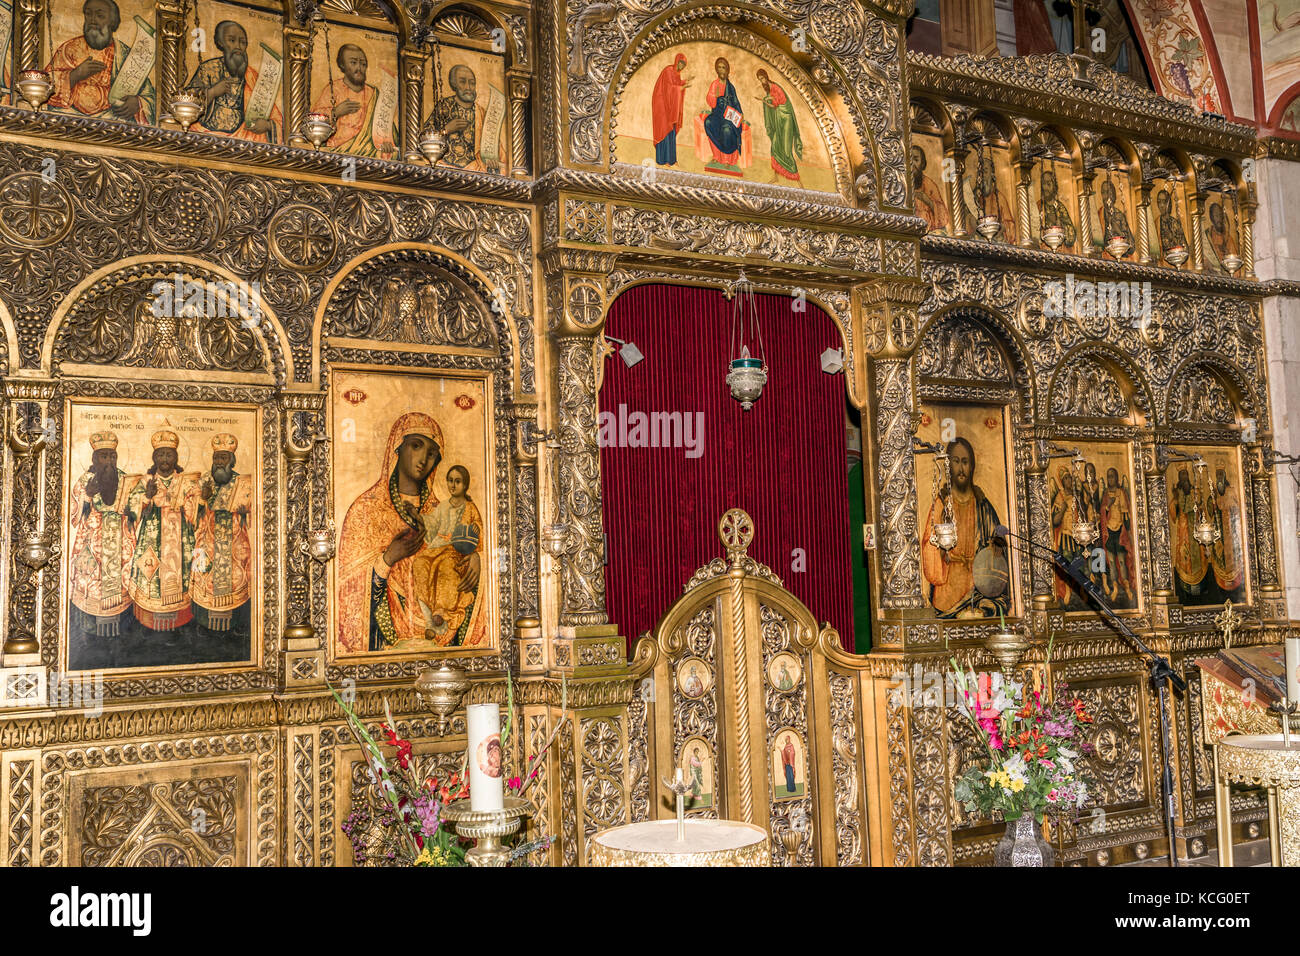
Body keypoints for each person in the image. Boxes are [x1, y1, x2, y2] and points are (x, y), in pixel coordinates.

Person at [336, 413, 444, 653]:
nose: (424, 459)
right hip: (383, 641)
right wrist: (387, 560)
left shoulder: (442, 513)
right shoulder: (366, 509)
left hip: (434, 638)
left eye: (432, 453)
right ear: (397, 446)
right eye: (416, 446)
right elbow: (345, 589)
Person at [920, 436, 1006, 618]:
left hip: (977, 586)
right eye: (956, 461)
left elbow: (999, 543)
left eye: (965, 462)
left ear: (972, 466)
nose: (961, 468)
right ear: (949, 466)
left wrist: (996, 546)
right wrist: (940, 551)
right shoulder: (942, 504)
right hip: (948, 591)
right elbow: (928, 545)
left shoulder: (983, 506)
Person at [126, 430, 200, 632]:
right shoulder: (145, 482)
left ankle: (181, 624)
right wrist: (147, 498)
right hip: (152, 540)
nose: (165, 459)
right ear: (154, 457)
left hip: (181, 539)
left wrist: (191, 504)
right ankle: (149, 623)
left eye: (169, 454)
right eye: (160, 455)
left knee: (184, 573)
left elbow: (197, 512)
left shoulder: (186, 482)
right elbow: (131, 509)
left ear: (176, 457)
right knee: (151, 576)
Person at [68, 431, 137, 637]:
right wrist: (87, 495)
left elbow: (136, 511)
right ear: (94, 458)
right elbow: (74, 514)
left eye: (112, 456)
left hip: (120, 543)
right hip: (93, 545)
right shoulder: (85, 480)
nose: (108, 461)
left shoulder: (125, 479)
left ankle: (122, 634)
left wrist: (131, 512)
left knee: (123, 587)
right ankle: (88, 635)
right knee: (90, 584)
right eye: (104, 456)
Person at [45, 0, 154, 124]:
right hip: (69, 120)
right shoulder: (70, 49)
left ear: (112, 22)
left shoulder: (126, 56)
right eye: (88, 14)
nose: (92, 20)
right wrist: (75, 75)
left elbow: (149, 97)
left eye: (100, 16)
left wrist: (137, 103)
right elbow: (45, 83)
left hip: (114, 125)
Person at [411, 464, 484, 647]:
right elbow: (432, 524)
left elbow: (479, 532)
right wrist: (417, 517)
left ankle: (441, 615)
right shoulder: (443, 506)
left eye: (457, 481)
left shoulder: (470, 508)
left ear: (465, 485)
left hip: (456, 551)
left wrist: (477, 528)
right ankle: (429, 618)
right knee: (419, 563)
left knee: (445, 568)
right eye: (450, 481)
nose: (453, 485)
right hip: (437, 547)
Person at [190, 434, 254, 635]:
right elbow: (190, 515)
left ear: (232, 461)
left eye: (224, 458)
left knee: (238, 579)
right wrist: (202, 500)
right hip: (206, 542)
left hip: (235, 542)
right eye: (216, 458)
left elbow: (254, 512)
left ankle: (236, 626)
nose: (219, 462)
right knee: (202, 578)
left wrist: (246, 512)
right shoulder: (203, 482)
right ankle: (202, 625)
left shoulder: (243, 483)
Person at [184, 20, 281, 142]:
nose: (238, 47)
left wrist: (267, 125)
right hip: (204, 138)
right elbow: (187, 105)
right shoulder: (208, 69)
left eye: (242, 42)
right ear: (221, 43)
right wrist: (213, 92)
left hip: (244, 141)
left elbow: (277, 118)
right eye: (232, 40)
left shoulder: (253, 77)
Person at [309, 43, 396, 159]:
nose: (359, 68)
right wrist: (336, 112)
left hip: (368, 154)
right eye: (353, 63)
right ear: (342, 65)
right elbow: (314, 124)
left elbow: (386, 128)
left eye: (363, 64)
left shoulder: (374, 94)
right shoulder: (333, 89)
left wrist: (386, 143)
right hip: (336, 153)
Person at [428, 64, 502, 172]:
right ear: (454, 84)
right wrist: (446, 130)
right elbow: (425, 139)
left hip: (476, 170)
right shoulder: (444, 106)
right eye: (463, 82)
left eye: (472, 83)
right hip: (445, 168)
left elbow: (497, 150)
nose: (468, 87)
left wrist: (493, 161)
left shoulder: (482, 114)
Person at [695, 56, 750, 173]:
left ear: (727, 70)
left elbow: (736, 102)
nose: (721, 70)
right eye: (719, 68)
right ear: (716, 70)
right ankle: (716, 156)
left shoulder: (731, 87)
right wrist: (715, 95)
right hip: (717, 114)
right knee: (709, 122)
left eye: (723, 68)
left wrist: (740, 114)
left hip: (729, 116)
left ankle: (726, 159)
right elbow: (710, 100)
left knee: (726, 129)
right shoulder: (714, 84)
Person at [1169, 466, 1209, 602]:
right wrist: (1174, 499)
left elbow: (1202, 509)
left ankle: (1200, 591)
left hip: (1195, 529)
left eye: (1186, 475)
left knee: (1199, 556)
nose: (1184, 478)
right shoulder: (1177, 494)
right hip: (1183, 531)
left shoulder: (1194, 492)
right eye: (1182, 475)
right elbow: (1173, 515)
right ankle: (1186, 592)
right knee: (1184, 556)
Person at [756, 68, 802, 184]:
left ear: (766, 77)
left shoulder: (776, 88)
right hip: (778, 119)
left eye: (762, 78)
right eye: (760, 79)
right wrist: (766, 100)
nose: (762, 81)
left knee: (786, 150)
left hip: (786, 120)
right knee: (775, 145)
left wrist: (768, 100)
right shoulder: (770, 91)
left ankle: (798, 180)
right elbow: (773, 106)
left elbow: (780, 103)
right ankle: (776, 176)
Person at [1100, 467, 1135, 606]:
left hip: (1120, 530)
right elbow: (1102, 511)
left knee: (1121, 560)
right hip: (1109, 531)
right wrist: (1107, 506)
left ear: (1117, 478)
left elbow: (1127, 514)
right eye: (1108, 476)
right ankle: (1115, 586)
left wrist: (1129, 531)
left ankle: (1126, 585)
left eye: (1113, 476)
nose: (1110, 479)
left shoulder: (1121, 493)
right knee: (1112, 561)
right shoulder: (1106, 494)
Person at [650, 53, 689, 166]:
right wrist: (681, 88)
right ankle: (663, 160)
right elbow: (668, 89)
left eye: (684, 65)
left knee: (671, 130)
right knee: (664, 130)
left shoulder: (676, 74)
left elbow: (675, 85)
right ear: (676, 61)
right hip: (662, 105)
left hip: (670, 107)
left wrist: (684, 82)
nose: (681, 66)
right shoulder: (668, 70)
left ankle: (672, 159)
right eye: (681, 63)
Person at [911, 144, 949, 232]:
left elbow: (943, 215)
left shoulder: (929, 184)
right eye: (909, 159)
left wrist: (927, 200)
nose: (912, 163)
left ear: (923, 163)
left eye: (916, 160)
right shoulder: (901, 183)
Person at [1037, 167, 1076, 251]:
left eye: (1048, 183)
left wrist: (1060, 224)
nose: (1046, 187)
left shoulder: (1060, 207)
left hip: (1061, 250)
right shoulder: (1038, 205)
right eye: (1043, 184)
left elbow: (1071, 234)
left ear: (1054, 186)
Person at [1098, 177, 1133, 258]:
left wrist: (1116, 227)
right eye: (1103, 192)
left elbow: (1131, 245)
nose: (1106, 196)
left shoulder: (1119, 215)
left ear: (1113, 194)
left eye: (1108, 192)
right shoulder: (1099, 214)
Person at [1155, 187, 1188, 266]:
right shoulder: (1156, 223)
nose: (1162, 205)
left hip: (1177, 259)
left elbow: (1184, 246)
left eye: (1164, 202)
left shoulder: (1175, 223)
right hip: (1162, 264)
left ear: (1169, 204)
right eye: (1159, 202)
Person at [1204, 199, 1240, 271]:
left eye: (1220, 215)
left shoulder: (1228, 238)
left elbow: (1235, 261)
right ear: (1211, 218)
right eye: (1216, 215)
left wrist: (1227, 253)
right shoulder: (1207, 236)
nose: (1219, 219)